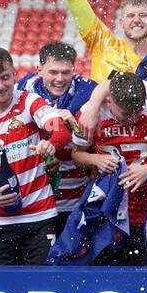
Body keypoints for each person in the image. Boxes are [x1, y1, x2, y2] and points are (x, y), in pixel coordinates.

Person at [0, 47, 74, 265]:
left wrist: (51, 144)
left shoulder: (30, 102)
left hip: (40, 217)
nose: (0, 86)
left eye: (5, 77)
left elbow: (60, 128)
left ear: (15, 74)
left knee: (42, 287)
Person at [68, 71, 147, 266]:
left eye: (137, 111)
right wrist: (95, 159)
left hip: (146, 209)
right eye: (125, 114)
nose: (132, 118)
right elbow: (76, 156)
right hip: (107, 210)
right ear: (109, 101)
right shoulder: (89, 113)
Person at [16, 41, 97, 237]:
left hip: (76, 194)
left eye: (65, 72)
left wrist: (75, 125)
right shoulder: (23, 91)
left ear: (74, 69)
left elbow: (100, 140)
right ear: (39, 70)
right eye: (53, 72)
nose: (60, 79)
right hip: (35, 197)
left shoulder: (89, 92)